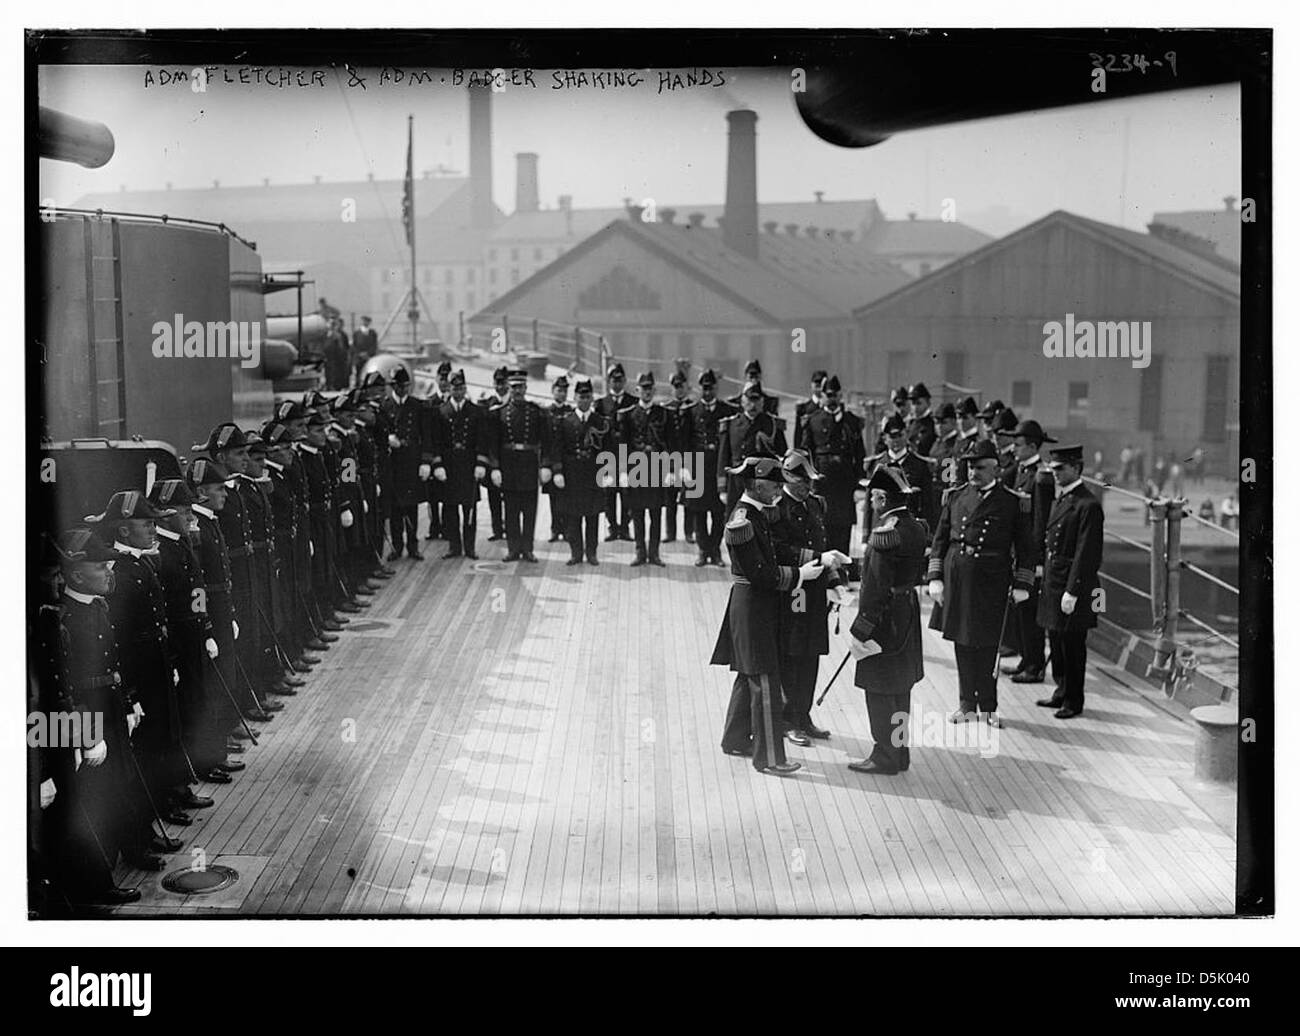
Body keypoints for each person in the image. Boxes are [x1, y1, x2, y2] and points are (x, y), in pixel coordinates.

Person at [712, 457, 824, 776]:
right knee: (765, 680)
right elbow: (760, 574)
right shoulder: (743, 521)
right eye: (775, 485)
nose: (779, 490)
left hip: (754, 606)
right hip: (753, 606)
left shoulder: (756, 514)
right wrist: (799, 575)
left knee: (748, 676)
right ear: (757, 485)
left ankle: (735, 739)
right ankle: (771, 758)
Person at [926, 439, 1036, 727]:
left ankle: (988, 706)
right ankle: (966, 704)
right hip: (958, 578)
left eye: (980, 467)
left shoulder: (1012, 502)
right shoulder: (955, 497)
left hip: (992, 580)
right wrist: (935, 577)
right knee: (962, 643)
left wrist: (1023, 583)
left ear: (996, 469)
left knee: (988, 644)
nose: (973, 472)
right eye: (971, 466)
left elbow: (1026, 547)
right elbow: (939, 540)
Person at [847, 466, 929, 775]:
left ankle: (884, 757)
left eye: (872, 495)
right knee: (900, 689)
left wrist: (861, 630)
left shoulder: (886, 532)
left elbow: (876, 587)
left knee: (879, 688)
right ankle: (899, 753)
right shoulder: (916, 527)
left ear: (882, 498)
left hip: (884, 620)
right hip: (906, 612)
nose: (869, 501)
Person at [770, 450, 850, 744]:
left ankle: (803, 716)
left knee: (811, 653)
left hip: (815, 592)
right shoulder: (777, 508)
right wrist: (819, 558)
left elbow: (823, 543)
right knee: (792, 652)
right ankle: (788, 720)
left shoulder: (816, 505)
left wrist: (834, 582)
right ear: (788, 477)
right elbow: (779, 549)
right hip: (794, 590)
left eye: (811, 481)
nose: (808, 486)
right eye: (803, 480)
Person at [1036, 444, 1105, 719]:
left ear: (1076, 468)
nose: (1055, 474)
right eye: (1053, 469)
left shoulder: (1088, 505)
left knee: (1073, 646)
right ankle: (1060, 691)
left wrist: (1073, 591)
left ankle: (1074, 700)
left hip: (1073, 586)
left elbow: (1086, 553)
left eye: (1060, 469)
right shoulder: (1063, 500)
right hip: (1055, 582)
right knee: (1056, 639)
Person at [1002, 418, 1057, 685]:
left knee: (1031, 611)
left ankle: (1035, 666)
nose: (1013, 448)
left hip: (1031, 556)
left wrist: (1034, 560)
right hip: (1020, 553)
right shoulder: (1024, 471)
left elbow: (1040, 522)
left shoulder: (1041, 476)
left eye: (1018, 444)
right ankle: (1026, 658)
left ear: (1033, 446)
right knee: (1021, 609)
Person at [488, 368, 554, 563]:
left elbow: (546, 441)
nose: (518, 391)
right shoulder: (499, 414)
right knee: (511, 511)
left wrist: (545, 466)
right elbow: (494, 444)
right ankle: (513, 549)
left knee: (529, 511)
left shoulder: (536, 412)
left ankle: (528, 549)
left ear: (526, 388)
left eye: (521, 387)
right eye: (514, 387)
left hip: (528, 465)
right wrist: (495, 468)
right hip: (509, 466)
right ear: (509, 387)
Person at [429, 369, 490, 560]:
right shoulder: (441, 411)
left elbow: (482, 441)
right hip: (449, 468)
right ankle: (454, 546)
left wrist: (481, 463)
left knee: (469, 508)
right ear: (450, 389)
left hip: (469, 466)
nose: (458, 392)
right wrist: (437, 465)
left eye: (461, 388)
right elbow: (435, 441)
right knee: (450, 510)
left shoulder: (476, 412)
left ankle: (469, 547)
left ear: (465, 388)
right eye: (455, 388)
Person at [802, 374, 865, 553]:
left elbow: (860, 454)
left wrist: (859, 483)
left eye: (835, 395)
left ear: (840, 396)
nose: (832, 399)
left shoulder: (852, 421)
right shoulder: (813, 420)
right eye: (828, 395)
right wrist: (809, 481)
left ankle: (842, 570)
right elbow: (806, 452)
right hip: (822, 481)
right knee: (821, 526)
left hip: (845, 483)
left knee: (844, 528)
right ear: (823, 396)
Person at [553, 378, 613, 566]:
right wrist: (558, 472)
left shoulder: (600, 421)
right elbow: (558, 449)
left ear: (592, 398)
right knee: (573, 516)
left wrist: (608, 472)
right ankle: (576, 553)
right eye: (581, 396)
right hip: (572, 474)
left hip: (594, 474)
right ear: (575, 397)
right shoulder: (565, 421)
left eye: (588, 397)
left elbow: (609, 449)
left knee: (593, 515)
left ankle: (592, 552)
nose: (584, 400)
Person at [682, 369, 736, 566]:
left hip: (718, 470)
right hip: (697, 468)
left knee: (719, 512)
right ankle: (703, 551)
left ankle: (715, 550)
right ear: (700, 388)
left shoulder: (727, 411)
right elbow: (685, 442)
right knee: (698, 513)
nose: (707, 392)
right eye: (704, 388)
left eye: (711, 388)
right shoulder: (691, 411)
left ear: (716, 388)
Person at [619, 371, 670, 567]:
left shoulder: (663, 413)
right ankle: (640, 552)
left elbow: (669, 444)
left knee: (656, 514)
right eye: (643, 389)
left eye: (650, 389)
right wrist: (622, 471)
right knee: (638, 513)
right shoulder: (629, 414)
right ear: (637, 390)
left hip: (657, 471)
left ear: (654, 390)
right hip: (636, 470)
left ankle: (654, 553)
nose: (647, 392)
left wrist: (670, 470)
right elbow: (623, 445)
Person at [386, 365, 432, 560]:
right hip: (393, 464)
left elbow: (426, 436)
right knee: (395, 509)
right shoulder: (385, 406)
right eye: (399, 385)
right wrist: (388, 438)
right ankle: (397, 546)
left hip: (412, 462)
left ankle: (413, 546)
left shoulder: (417, 406)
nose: (403, 389)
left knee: (412, 507)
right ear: (393, 386)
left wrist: (425, 462)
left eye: (406, 385)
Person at [718, 383, 787, 510]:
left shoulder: (772, 424)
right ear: (742, 401)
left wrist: (779, 487)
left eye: (757, 401)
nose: (753, 405)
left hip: (764, 484)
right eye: (749, 400)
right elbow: (723, 457)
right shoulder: (731, 424)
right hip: (737, 483)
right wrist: (722, 488)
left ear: (762, 402)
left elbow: (782, 457)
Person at [863, 413, 935, 534]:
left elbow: (928, 504)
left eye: (899, 435)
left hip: (910, 531)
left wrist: (928, 537)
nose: (896, 440)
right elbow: (868, 506)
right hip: (881, 530)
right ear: (885, 439)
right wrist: (865, 536)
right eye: (892, 436)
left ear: (906, 435)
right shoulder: (876, 465)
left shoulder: (919, 465)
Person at [594, 363, 637, 541]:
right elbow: (597, 433)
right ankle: (612, 527)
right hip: (608, 456)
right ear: (609, 381)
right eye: (613, 380)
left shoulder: (632, 402)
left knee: (628, 494)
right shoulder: (601, 403)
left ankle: (625, 527)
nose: (617, 384)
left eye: (620, 380)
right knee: (609, 495)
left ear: (625, 381)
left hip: (628, 457)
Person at [478, 366, 511, 542]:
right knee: (494, 497)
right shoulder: (486, 405)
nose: (500, 387)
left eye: (503, 383)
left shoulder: (514, 403)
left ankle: (511, 528)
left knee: (511, 497)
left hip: (510, 458)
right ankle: (497, 529)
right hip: (493, 457)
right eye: (497, 383)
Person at [661, 370, 694, 543]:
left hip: (689, 461)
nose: (679, 390)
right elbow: (662, 438)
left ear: (686, 388)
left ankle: (689, 532)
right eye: (676, 387)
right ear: (672, 388)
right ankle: (670, 533)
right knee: (670, 499)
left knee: (689, 499)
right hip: (670, 461)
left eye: (681, 386)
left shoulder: (693, 408)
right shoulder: (666, 409)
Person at [543, 375, 573, 543]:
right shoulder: (546, 413)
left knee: (567, 497)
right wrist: (545, 464)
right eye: (559, 390)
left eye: (564, 391)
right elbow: (544, 440)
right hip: (551, 460)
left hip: (567, 462)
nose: (562, 394)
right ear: (552, 391)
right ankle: (555, 529)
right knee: (554, 498)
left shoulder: (570, 412)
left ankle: (568, 529)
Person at [791, 369, 827, 453]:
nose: (818, 385)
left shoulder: (831, 408)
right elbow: (798, 435)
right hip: (808, 450)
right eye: (816, 382)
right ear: (811, 385)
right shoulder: (803, 408)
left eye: (821, 382)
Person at [906, 382, 937, 457]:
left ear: (928, 403)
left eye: (919, 403)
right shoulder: (911, 423)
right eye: (913, 404)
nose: (915, 407)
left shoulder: (933, 423)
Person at [323, 317, 351, 391]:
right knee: (327, 372)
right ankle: (328, 385)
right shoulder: (325, 334)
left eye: (333, 324)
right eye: (330, 323)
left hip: (335, 358)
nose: (332, 325)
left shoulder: (338, 335)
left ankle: (334, 386)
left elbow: (342, 348)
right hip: (327, 357)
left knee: (335, 373)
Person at [350, 315, 378, 387]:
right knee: (359, 372)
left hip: (369, 357)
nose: (365, 322)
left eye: (367, 321)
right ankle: (358, 386)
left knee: (369, 371)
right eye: (364, 321)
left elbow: (374, 345)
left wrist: (368, 354)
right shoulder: (356, 333)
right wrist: (360, 354)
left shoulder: (372, 333)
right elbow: (354, 346)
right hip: (359, 358)